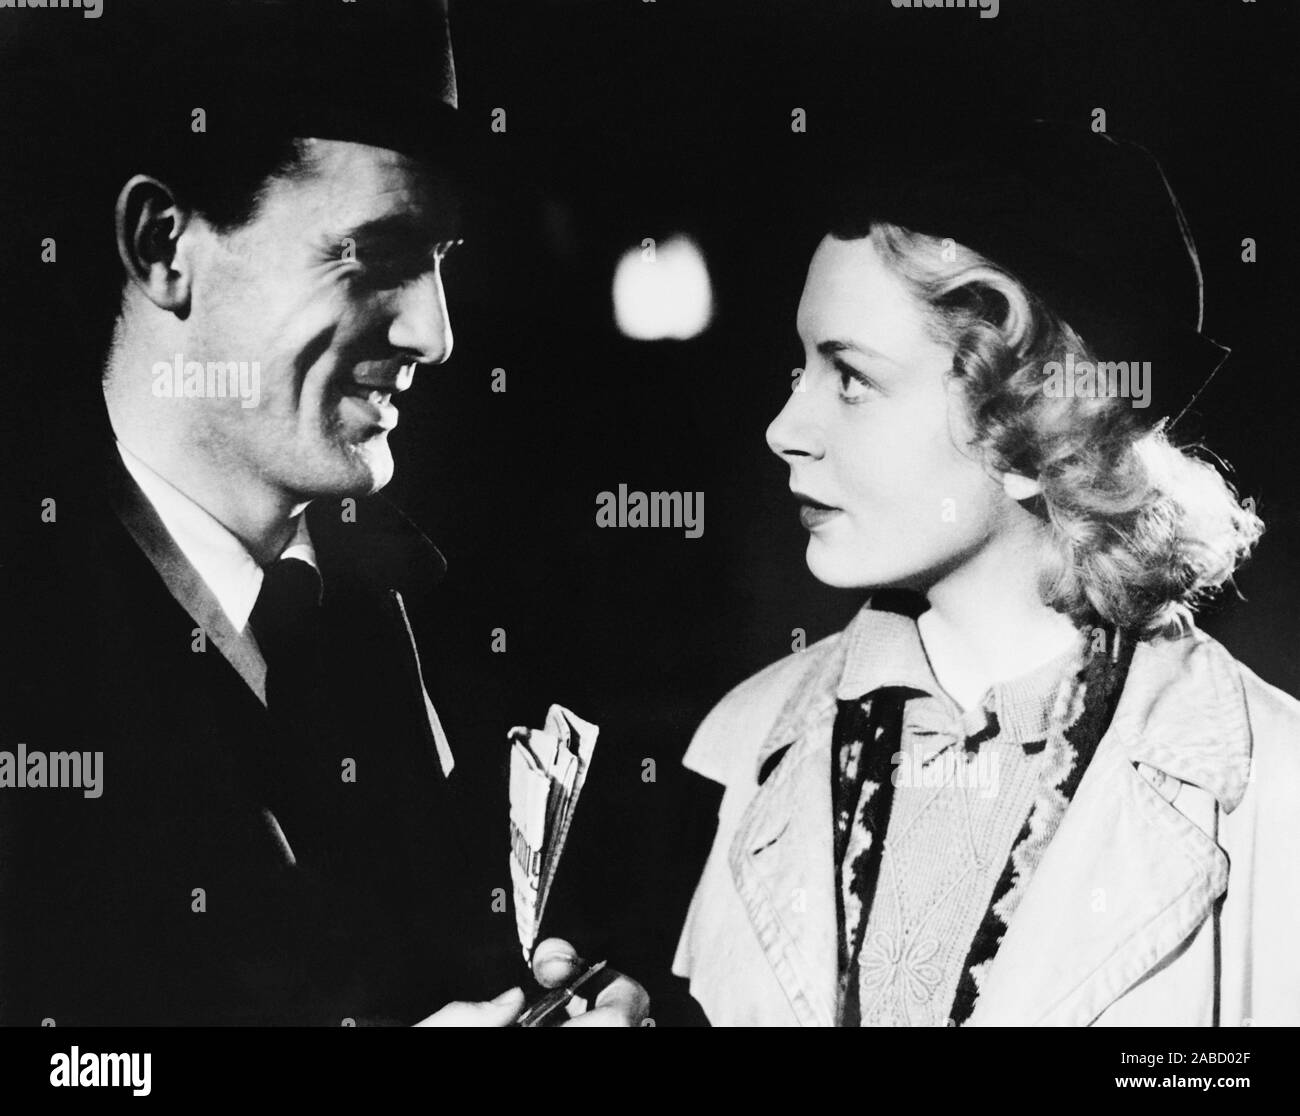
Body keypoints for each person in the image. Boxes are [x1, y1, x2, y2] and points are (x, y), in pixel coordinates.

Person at [0, 0, 646, 1027]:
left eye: (443, 260)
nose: (435, 335)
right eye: (378, 254)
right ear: (164, 245)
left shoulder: (433, 612)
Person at [672, 122, 1300, 1026]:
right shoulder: (735, 743)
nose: (784, 428)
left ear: (1033, 420)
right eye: (798, 368)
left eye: (849, 377)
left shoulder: (1276, 788)